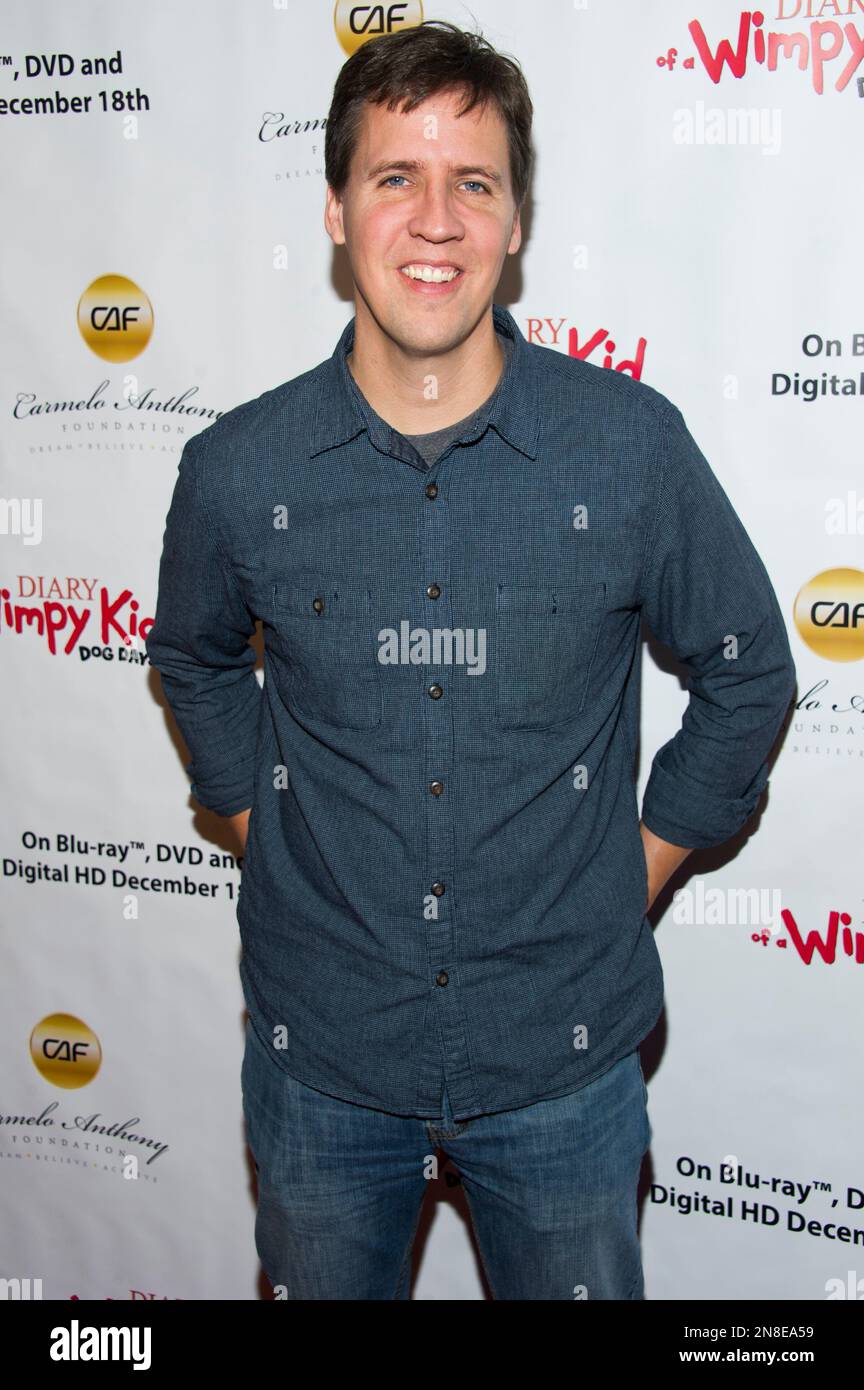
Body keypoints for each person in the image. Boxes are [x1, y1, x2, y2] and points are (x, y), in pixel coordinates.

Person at [145, 20, 797, 1300]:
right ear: (337, 210)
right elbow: (194, 654)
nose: (434, 219)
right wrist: (251, 819)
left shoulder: (629, 450)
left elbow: (748, 671)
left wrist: (633, 868)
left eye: (473, 183)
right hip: (319, 1057)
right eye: (396, 177)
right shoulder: (236, 472)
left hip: (562, 1062)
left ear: (514, 222)